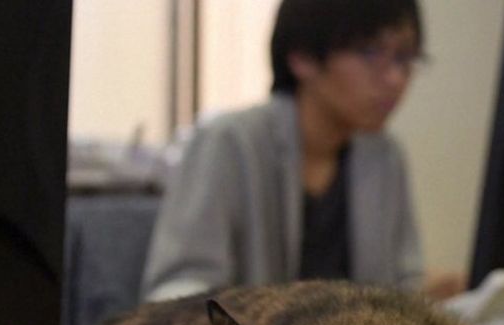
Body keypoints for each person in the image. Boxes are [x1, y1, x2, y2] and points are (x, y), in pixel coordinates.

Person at [142, 0, 446, 302]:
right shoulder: (229, 142)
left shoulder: (384, 157)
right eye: (370, 52)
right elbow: (175, 290)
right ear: (302, 57)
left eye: (405, 58)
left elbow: (403, 285)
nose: (395, 79)